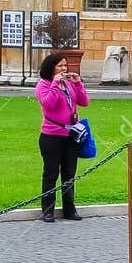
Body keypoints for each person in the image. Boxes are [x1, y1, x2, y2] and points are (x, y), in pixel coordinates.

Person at [34, 52, 89, 222]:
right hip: (51, 136)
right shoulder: (43, 85)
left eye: (65, 66)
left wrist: (78, 84)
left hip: (70, 135)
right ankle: (48, 210)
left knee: (69, 174)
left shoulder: (69, 84)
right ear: (51, 68)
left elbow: (84, 101)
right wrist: (55, 85)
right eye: (60, 66)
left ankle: (69, 209)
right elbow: (49, 104)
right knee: (51, 174)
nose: (64, 69)